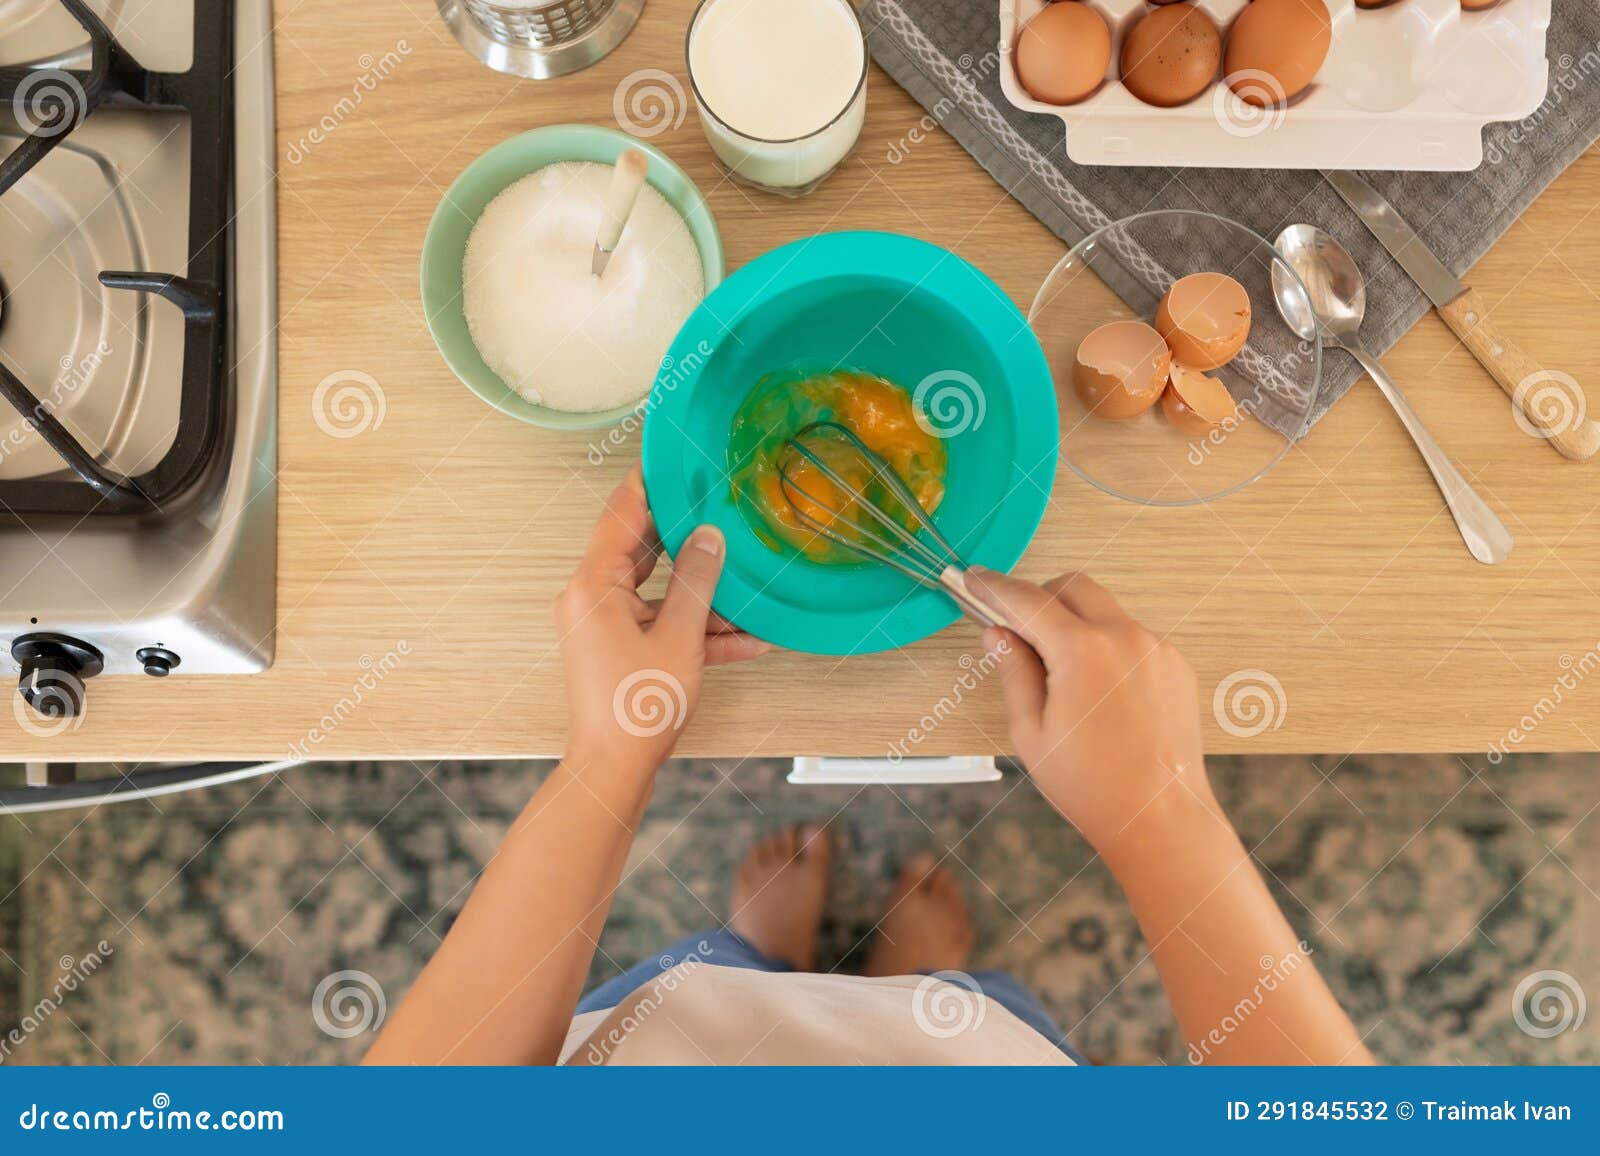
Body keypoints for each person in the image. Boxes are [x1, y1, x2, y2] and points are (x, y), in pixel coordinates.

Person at [366, 468, 1372, 1066]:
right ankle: (920, 981)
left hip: (681, 1041)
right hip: (968, 1061)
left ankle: (758, 958)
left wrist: (611, 747)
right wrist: (1158, 812)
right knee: (959, 1009)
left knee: (709, 987)